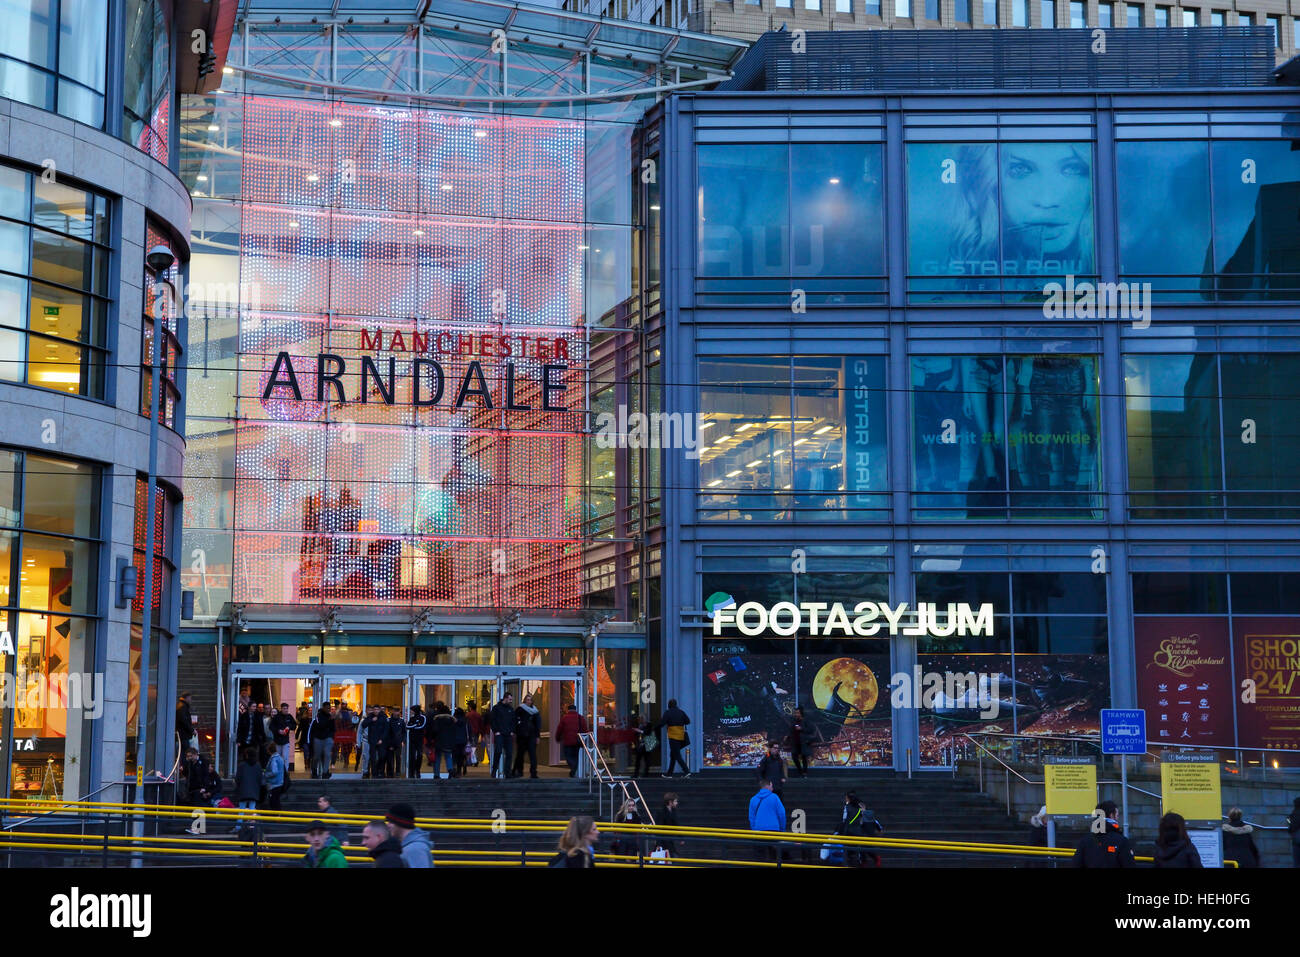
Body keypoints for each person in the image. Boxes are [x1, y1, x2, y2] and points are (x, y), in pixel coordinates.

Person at [1072, 800, 1136, 868]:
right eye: (1117, 815)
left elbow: (1076, 864)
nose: (1118, 818)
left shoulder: (1084, 841)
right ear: (1111, 815)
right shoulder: (1122, 841)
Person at [749, 779, 787, 862]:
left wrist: (754, 830)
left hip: (758, 831)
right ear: (769, 785)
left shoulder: (753, 799)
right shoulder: (774, 797)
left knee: (759, 857)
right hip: (773, 831)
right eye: (772, 786)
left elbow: (751, 818)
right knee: (774, 856)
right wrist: (782, 830)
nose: (773, 788)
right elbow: (782, 814)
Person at [387, 803, 433, 868]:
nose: (388, 825)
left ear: (400, 823)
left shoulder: (414, 849)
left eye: (390, 822)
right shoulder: (411, 847)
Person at [657, 699, 691, 778]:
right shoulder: (681, 712)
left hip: (673, 736)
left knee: (677, 755)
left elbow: (662, 723)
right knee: (673, 755)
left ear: (669, 705)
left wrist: (655, 727)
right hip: (681, 736)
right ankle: (669, 773)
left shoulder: (668, 712)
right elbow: (688, 721)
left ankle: (686, 771)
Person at [233, 746, 262, 832]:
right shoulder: (258, 765)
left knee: (241, 810)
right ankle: (252, 826)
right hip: (254, 791)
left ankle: (238, 827)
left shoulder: (242, 765)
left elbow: (238, 778)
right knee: (252, 809)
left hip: (243, 791)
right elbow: (260, 778)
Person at [556, 703, 588, 778]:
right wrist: (584, 741)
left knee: (568, 756)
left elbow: (559, 729)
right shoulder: (580, 718)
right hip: (577, 742)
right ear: (575, 709)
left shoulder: (564, 718)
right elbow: (585, 730)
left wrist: (557, 738)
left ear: (568, 710)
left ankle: (573, 768)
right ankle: (574, 768)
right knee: (575, 756)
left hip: (567, 742)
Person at [514, 693, 541, 779]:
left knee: (532, 755)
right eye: (527, 700)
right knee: (520, 755)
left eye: (530, 700)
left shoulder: (535, 711)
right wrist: (516, 731)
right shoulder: (520, 709)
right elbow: (514, 720)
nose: (529, 701)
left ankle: (533, 773)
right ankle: (519, 771)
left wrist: (537, 736)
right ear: (525, 700)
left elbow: (538, 724)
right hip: (522, 736)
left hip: (531, 736)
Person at [490, 692, 517, 778]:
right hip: (499, 734)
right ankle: (494, 770)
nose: (511, 701)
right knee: (498, 751)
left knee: (509, 753)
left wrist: (512, 731)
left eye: (511, 699)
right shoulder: (496, 708)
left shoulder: (511, 709)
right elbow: (492, 720)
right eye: (510, 699)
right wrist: (496, 731)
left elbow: (514, 721)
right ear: (505, 698)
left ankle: (507, 772)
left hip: (508, 735)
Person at [308, 704, 336, 779]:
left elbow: (333, 728)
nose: (329, 710)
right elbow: (320, 725)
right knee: (316, 756)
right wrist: (330, 720)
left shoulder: (330, 717)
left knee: (327, 754)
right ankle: (314, 770)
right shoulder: (318, 716)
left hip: (327, 738)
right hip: (318, 738)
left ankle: (325, 772)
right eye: (327, 708)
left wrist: (332, 737)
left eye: (329, 708)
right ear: (323, 708)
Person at [431, 703, 458, 779]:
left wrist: (433, 738)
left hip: (439, 741)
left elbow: (434, 730)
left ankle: (436, 774)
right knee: (448, 756)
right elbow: (454, 731)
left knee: (437, 758)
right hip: (448, 741)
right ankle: (450, 770)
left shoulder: (437, 720)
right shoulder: (451, 720)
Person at [362, 705, 389, 779]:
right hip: (372, 740)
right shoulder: (370, 716)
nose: (376, 711)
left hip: (381, 740)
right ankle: (374, 773)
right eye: (375, 709)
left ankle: (381, 772)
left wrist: (381, 739)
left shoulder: (383, 717)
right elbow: (363, 724)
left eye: (377, 709)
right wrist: (371, 720)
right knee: (373, 758)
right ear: (373, 710)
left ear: (379, 710)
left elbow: (386, 730)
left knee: (382, 756)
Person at [269, 702, 297, 772]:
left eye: (287, 708)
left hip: (285, 741)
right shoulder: (276, 717)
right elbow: (271, 727)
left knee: (285, 757)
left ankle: (285, 772)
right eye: (284, 708)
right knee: (278, 757)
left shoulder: (289, 716)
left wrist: (289, 727)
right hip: (277, 741)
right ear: (281, 709)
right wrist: (278, 731)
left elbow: (294, 725)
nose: (286, 710)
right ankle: (278, 771)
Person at [261, 741, 287, 811]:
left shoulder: (273, 759)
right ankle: (278, 816)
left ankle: (276, 817)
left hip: (274, 784)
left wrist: (265, 774)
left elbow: (274, 771)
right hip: (279, 782)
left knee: (273, 802)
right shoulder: (280, 758)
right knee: (277, 801)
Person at [788, 706, 813, 776]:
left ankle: (804, 773)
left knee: (804, 758)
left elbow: (810, 730)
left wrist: (801, 728)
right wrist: (788, 736)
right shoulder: (794, 721)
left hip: (803, 743)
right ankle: (800, 771)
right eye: (795, 713)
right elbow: (791, 731)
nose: (796, 714)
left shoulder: (806, 721)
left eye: (798, 713)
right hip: (795, 743)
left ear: (801, 713)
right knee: (794, 757)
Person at [385, 706, 407, 779]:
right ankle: (390, 772)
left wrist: (403, 741)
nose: (396, 712)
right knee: (390, 759)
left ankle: (398, 772)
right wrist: (389, 743)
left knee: (398, 758)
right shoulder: (388, 720)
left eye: (398, 711)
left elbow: (404, 732)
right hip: (390, 743)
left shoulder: (401, 721)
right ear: (392, 711)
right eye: (395, 711)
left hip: (398, 743)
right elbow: (387, 733)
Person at [658, 792, 680, 859]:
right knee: (670, 857)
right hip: (663, 840)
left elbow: (676, 824)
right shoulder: (661, 812)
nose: (677, 803)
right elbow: (658, 828)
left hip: (670, 839)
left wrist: (680, 836)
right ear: (670, 802)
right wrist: (658, 843)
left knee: (673, 856)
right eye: (675, 801)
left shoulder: (674, 811)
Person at [407, 705, 427, 778]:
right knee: (412, 756)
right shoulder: (412, 718)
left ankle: (417, 770)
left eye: (412, 710)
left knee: (419, 755)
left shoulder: (423, 717)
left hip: (419, 740)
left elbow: (421, 726)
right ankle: (411, 772)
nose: (411, 711)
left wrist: (413, 725)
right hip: (412, 739)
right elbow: (407, 726)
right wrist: (415, 725)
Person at [466, 701, 485, 768]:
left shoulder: (468, 715)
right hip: (476, 732)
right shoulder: (478, 715)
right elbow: (481, 725)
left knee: (470, 747)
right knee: (474, 746)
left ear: (470, 707)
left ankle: (473, 760)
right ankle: (472, 760)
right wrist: (482, 734)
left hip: (470, 733)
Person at [175, 693, 196, 757]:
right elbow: (184, 721)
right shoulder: (183, 707)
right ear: (186, 698)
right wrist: (192, 730)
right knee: (185, 754)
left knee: (181, 753)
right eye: (190, 698)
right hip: (183, 735)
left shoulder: (180, 705)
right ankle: (183, 766)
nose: (191, 700)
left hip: (181, 734)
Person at [296, 704, 313, 775]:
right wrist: (296, 736)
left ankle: (309, 764)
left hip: (312, 739)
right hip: (305, 738)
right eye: (309, 710)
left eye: (311, 710)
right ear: (307, 711)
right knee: (306, 752)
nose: (310, 711)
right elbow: (299, 728)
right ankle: (306, 765)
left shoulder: (314, 719)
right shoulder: (303, 719)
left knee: (311, 753)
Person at [453, 707, 470, 777]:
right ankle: (461, 768)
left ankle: (456, 770)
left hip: (455, 740)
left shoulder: (453, 721)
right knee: (462, 755)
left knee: (455, 755)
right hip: (463, 740)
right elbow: (469, 730)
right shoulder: (465, 720)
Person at [1288, 797, 1300, 868]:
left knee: (1297, 862)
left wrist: (1290, 828)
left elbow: (1292, 825)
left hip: (1297, 841)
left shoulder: (1295, 813)